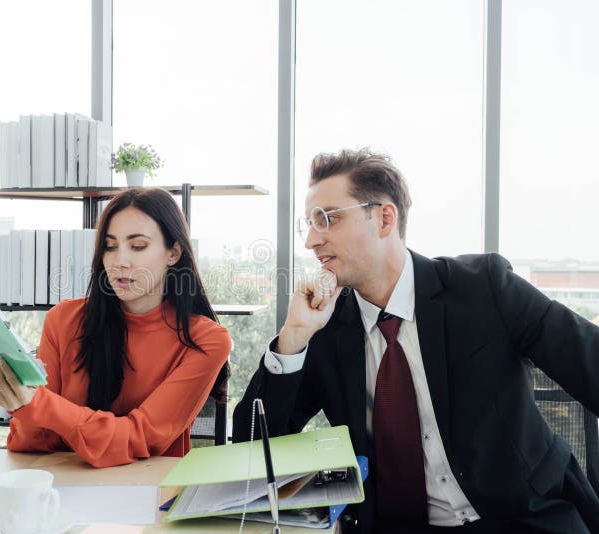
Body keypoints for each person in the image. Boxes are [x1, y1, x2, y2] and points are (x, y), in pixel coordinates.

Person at [232, 148, 599, 533]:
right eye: (308, 223)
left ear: (384, 218)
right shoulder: (325, 327)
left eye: (328, 219)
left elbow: (588, 361)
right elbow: (253, 447)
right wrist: (293, 339)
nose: (310, 240)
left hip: (521, 518)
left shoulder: (483, 289)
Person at [0, 187, 231, 468]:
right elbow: (34, 444)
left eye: (138, 246)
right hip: (64, 491)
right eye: (110, 246)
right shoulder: (63, 320)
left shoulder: (206, 340)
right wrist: (22, 401)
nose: (120, 262)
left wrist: (40, 404)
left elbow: (137, 439)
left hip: (148, 496)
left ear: (174, 252)